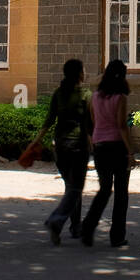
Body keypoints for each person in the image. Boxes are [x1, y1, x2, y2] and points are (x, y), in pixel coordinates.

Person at [31, 59, 92, 245]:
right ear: (79, 74)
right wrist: (94, 143)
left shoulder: (59, 94)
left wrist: (37, 140)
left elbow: (49, 120)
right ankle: (57, 221)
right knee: (75, 188)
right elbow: (90, 124)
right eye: (83, 70)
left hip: (60, 146)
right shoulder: (85, 95)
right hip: (78, 146)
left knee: (71, 187)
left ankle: (75, 226)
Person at [79, 59, 133, 248]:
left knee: (104, 190)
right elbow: (121, 126)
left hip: (100, 146)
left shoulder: (95, 97)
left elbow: (95, 121)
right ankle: (117, 236)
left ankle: (87, 227)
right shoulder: (120, 98)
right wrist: (130, 151)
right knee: (121, 194)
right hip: (117, 147)